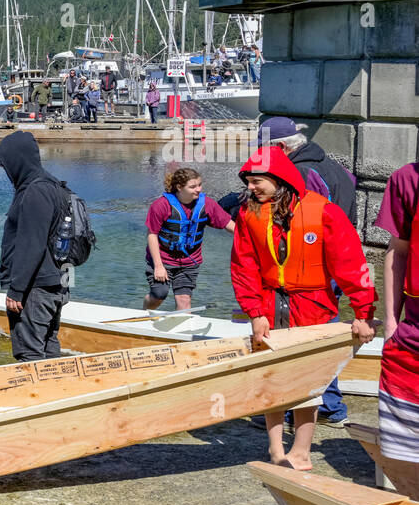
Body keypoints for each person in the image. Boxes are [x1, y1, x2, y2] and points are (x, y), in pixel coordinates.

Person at [230, 147, 377, 469]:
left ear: (279, 179)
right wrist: (255, 312)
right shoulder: (248, 215)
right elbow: (244, 266)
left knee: (307, 383)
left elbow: (350, 265)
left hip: (312, 305)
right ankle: (274, 448)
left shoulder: (324, 212)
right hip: (269, 304)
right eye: (249, 182)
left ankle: (300, 451)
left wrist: (363, 314)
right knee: (271, 377)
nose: (251, 189)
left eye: (257, 181)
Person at [0, 131, 72, 361]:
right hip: (56, 283)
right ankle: (58, 394)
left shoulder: (35, 191)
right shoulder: (55, 186)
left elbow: (32, 243)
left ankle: (38, 397)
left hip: (36, 289)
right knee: (48, 350)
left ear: (17, 160)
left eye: (5, 162)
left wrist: (17, 289)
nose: (3, 168)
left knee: (29, 355)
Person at [375, 159, 419, 494]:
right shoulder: (407, 179)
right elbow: (399, 251)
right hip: (412, 336)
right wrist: (391, 323)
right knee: (403, 452)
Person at [144, 168, 236, 311]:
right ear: (179, 187)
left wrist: (251, 240)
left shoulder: (207, 204)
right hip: (162, 260)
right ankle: (144, 313)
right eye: (193, 187)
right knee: (158, 295)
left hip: (189, 261)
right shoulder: (161, 205)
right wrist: (158, 266)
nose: (198, 189)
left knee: (184, 300)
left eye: (199, 185)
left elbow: (229, 225)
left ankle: (181, 330)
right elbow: (152, 234)